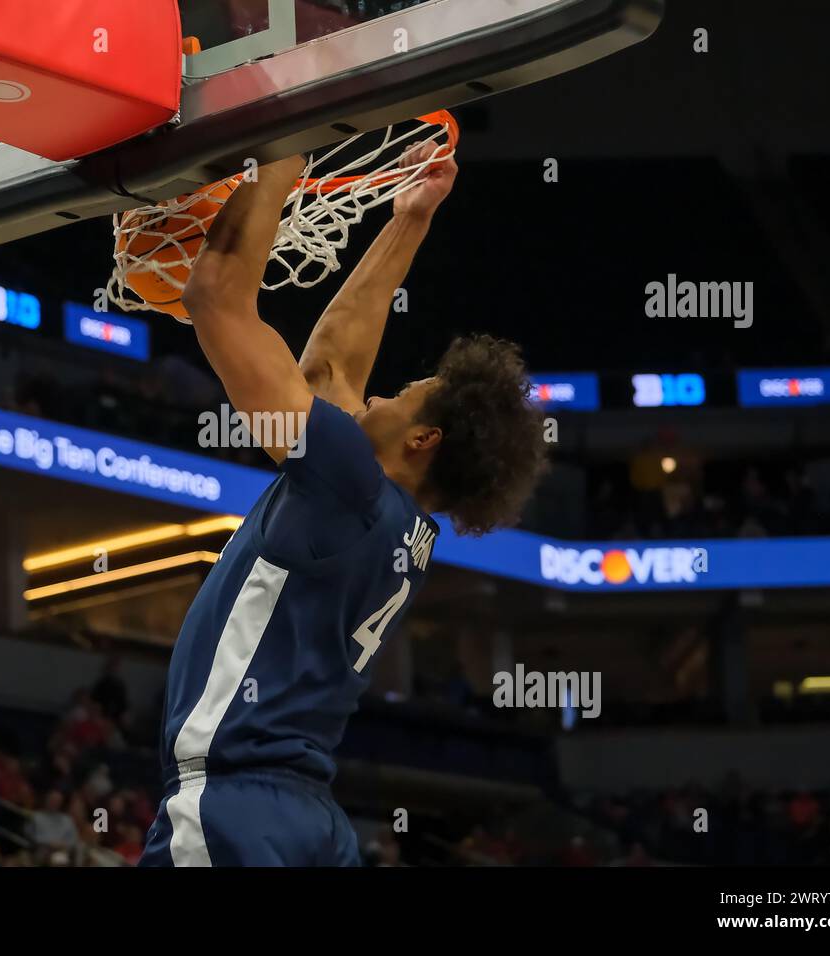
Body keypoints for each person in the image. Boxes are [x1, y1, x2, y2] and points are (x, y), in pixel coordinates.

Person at [139, 144, 547, 866]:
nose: (381, 393)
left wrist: (280, 153)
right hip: (313, 824)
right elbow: (331, 366)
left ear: (423, 438)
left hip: (235, 807)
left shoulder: (348, 481)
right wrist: (408, 223)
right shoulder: (400, 524)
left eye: (406, 391)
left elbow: (213, 297)